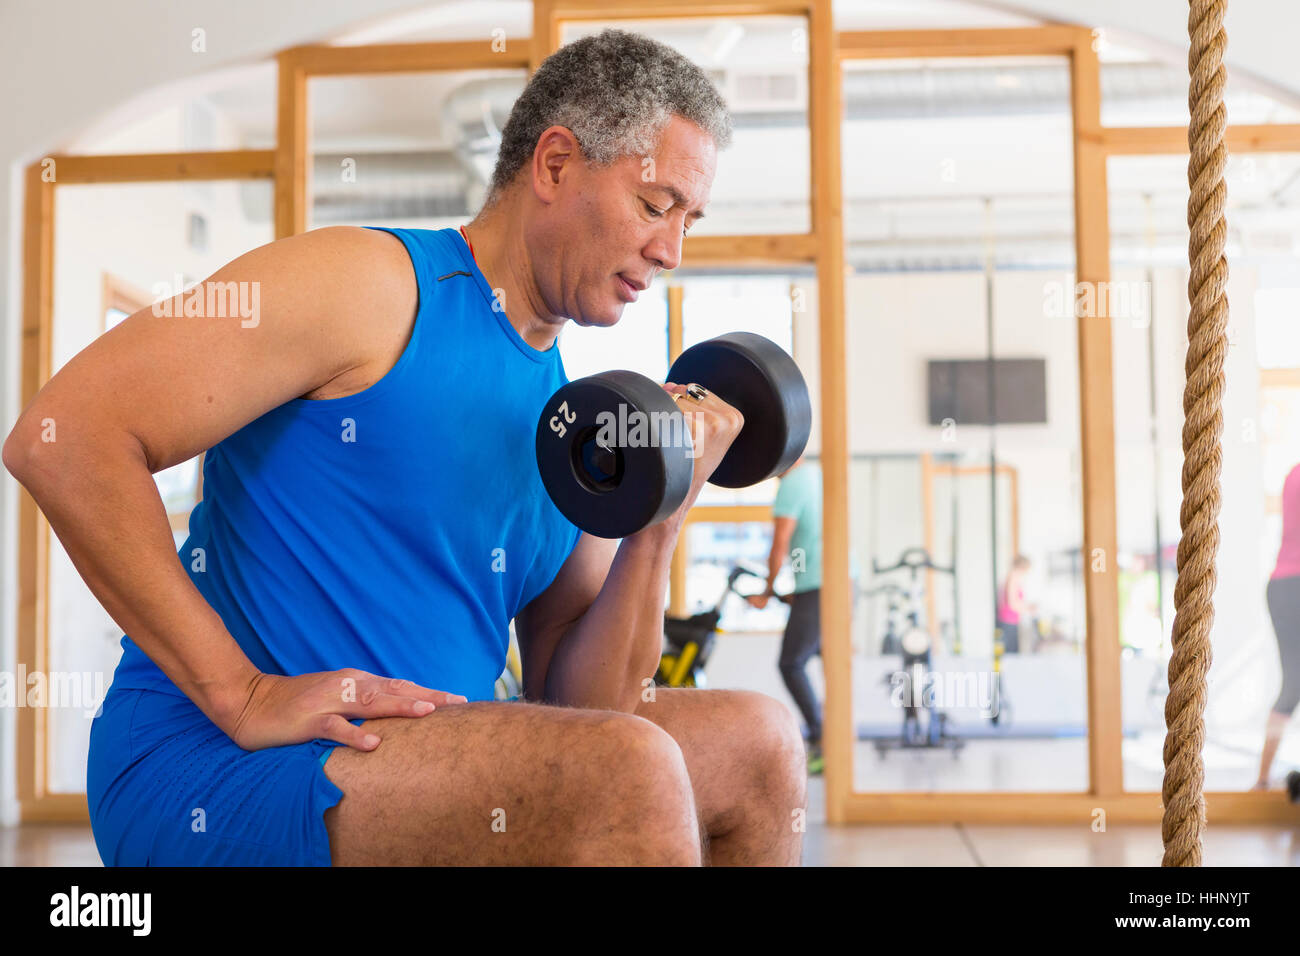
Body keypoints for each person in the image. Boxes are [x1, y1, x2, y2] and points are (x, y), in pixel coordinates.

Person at [3, 30, 807, 866]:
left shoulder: (573, 413)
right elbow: (65, 437)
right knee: (627, 771)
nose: (671, 250)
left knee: (761, 741)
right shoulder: (368, 286)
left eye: (689, 219)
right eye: (654, 205)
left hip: (407, 757)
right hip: (220, 762)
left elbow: (586, 703)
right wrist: (237, 692)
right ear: (556, 165)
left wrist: (656, 519)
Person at [747, 454, 825, 775]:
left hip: (820, 585)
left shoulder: (792, 482)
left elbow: (780, 544)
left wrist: (766, 591)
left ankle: (823, 738)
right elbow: (807, 541)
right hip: (837, 582)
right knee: (825, 658)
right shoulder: (815, 477)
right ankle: (832, 741)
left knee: (791, 663)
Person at [1254, 461, 1300, 791]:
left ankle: (1262, 778)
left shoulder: (1292, 473)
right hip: (1292, 584)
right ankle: (1262, 778)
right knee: (1293, 684)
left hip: (1282, 586)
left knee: (1292, 684)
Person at [996, 554, 1037, 654]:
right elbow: (1012, 604)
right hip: (1008, 621)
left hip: (1011, 620)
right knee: (1011, 653)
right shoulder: (1012, 579)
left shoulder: (1011, 578)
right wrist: (1028, 609)